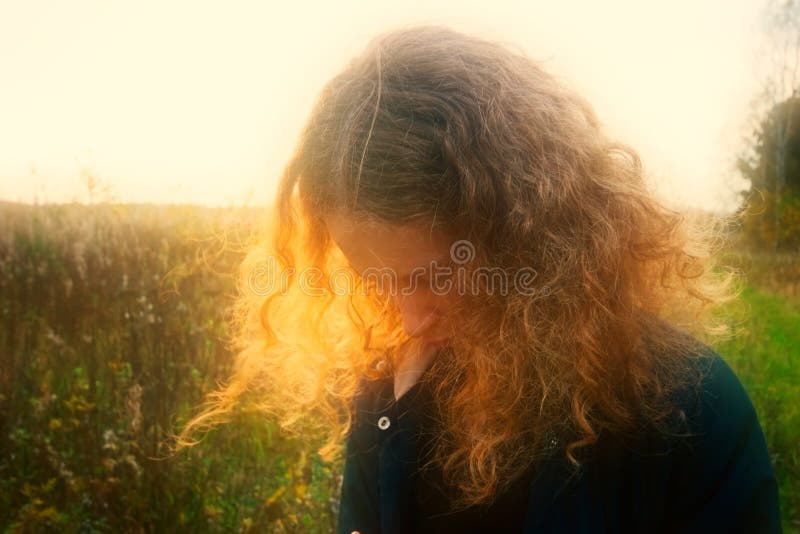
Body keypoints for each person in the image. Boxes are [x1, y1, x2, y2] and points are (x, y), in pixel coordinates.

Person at [178, 26, 781, 532]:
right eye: (378, 282)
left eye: (436, 275)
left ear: (530, 239)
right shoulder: (387, 392)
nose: (411, 319)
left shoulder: (690, 413)